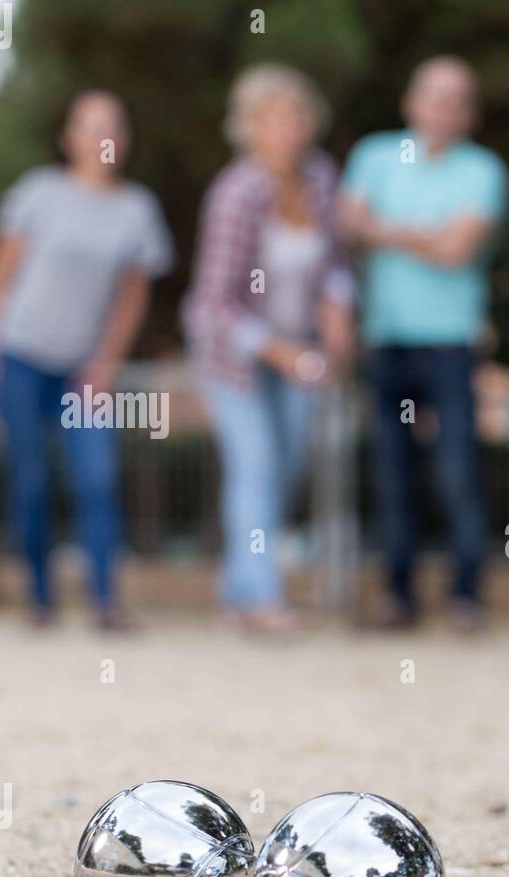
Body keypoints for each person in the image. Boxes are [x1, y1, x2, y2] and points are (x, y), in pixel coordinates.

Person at [0, 90, 173, 629]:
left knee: (96, 477)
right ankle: (41, 598)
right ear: (69, 138)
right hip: (20, 356)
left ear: (125, 140)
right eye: (91, 126)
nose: (103, 137)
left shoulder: (137, 211)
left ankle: (105, 599)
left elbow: (133, 296)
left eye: (113, 126)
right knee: (30, 478)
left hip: (82, 369)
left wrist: (106, 362)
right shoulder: (39, 194)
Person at [183, 64, 354, 635]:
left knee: (286, 469)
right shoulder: (236, 194)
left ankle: (237, 593)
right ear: (250, 128)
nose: (288, 130)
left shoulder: (324, 181)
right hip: (235, 357)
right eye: (274, 119)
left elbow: (334, 267)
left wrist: (338, 309)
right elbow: (212, 303)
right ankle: (260, 598)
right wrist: (275, 349)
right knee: (253, 466)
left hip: (300, 349)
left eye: (297, 116)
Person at [340, 55, 507, 631]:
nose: (444, 108)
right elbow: (348, 226)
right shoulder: (374, 156)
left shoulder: (482, 170)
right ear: (412, 102)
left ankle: (466, 596)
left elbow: (457, 251)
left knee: (458, 473)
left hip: (450, 344)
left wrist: (385, 231)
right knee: (392, 476)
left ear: (470, 113)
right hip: (386, 341)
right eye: (435, 95)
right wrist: (427, 236)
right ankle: (399, 596)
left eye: (457, 98)